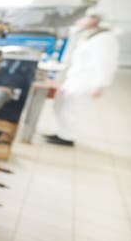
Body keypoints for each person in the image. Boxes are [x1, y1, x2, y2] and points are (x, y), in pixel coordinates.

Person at [47, 8, 119, 146]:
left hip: (86, 81)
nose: (83, 20)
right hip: (76, 78)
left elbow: (104, 64)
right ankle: (61, 132)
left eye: (87, 18)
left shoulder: (105, 39)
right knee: (62, 105)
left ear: (96, 20)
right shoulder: (92, 35)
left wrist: (99, 85)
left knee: (73, 109)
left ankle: (67, 137)